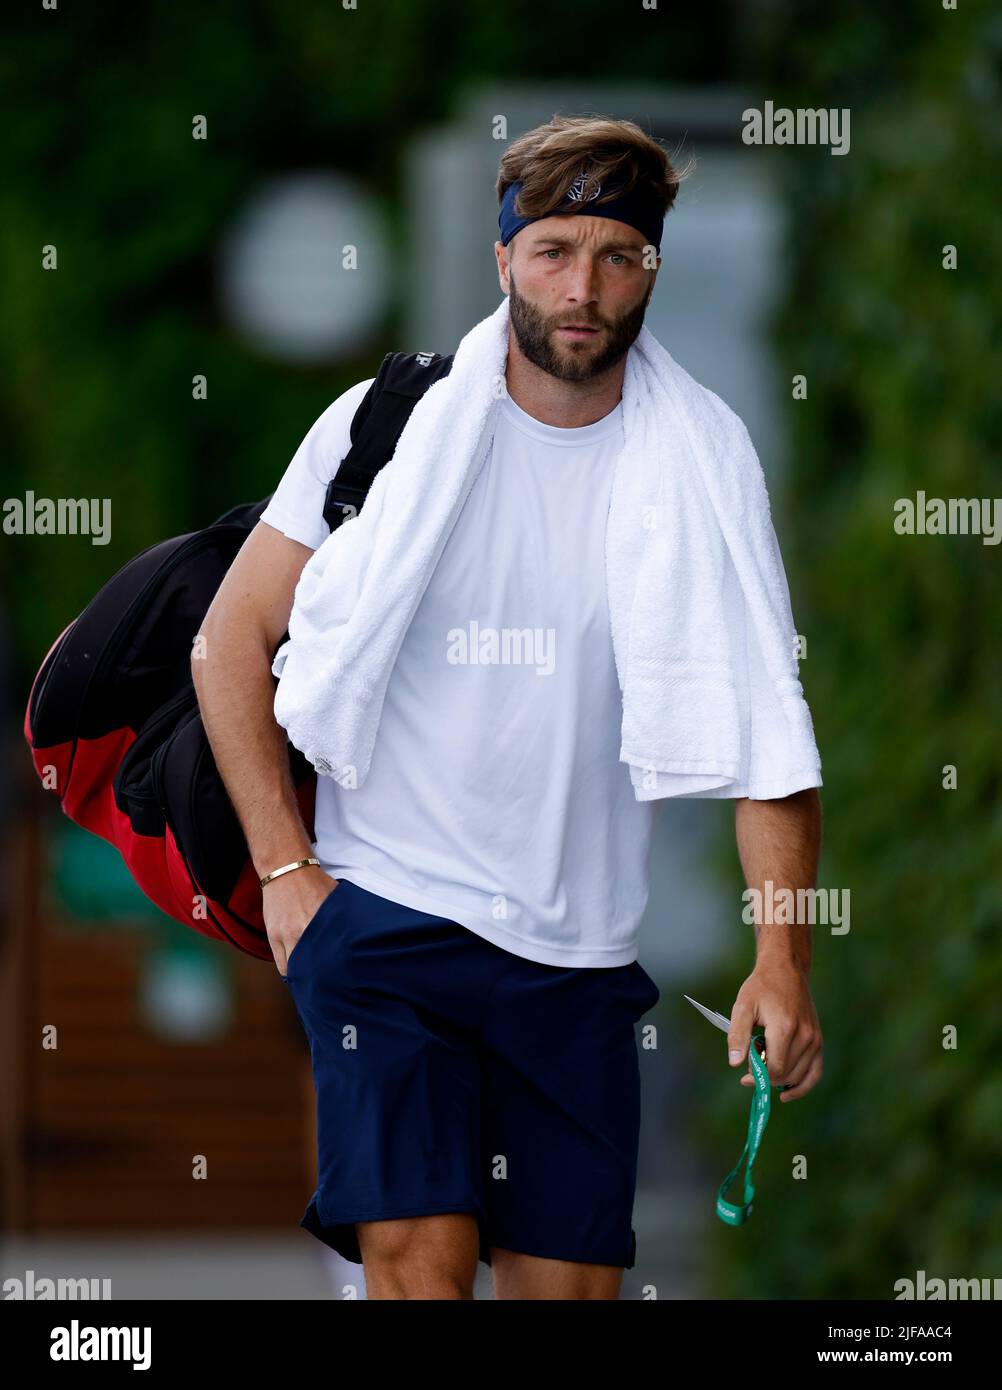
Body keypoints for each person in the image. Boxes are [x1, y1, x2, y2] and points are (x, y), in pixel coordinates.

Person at [192, 113, 823, 1301]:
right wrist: (286, 876)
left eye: (616, 254)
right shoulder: (385, 427)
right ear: (502, 259)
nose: (581, 287)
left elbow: (766, 728)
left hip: (578, 962)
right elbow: (229, 639)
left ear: (651, 269)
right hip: (386, 922)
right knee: (418, 1269)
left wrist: (782, 961)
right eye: (552, 251)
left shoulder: (702, 460)